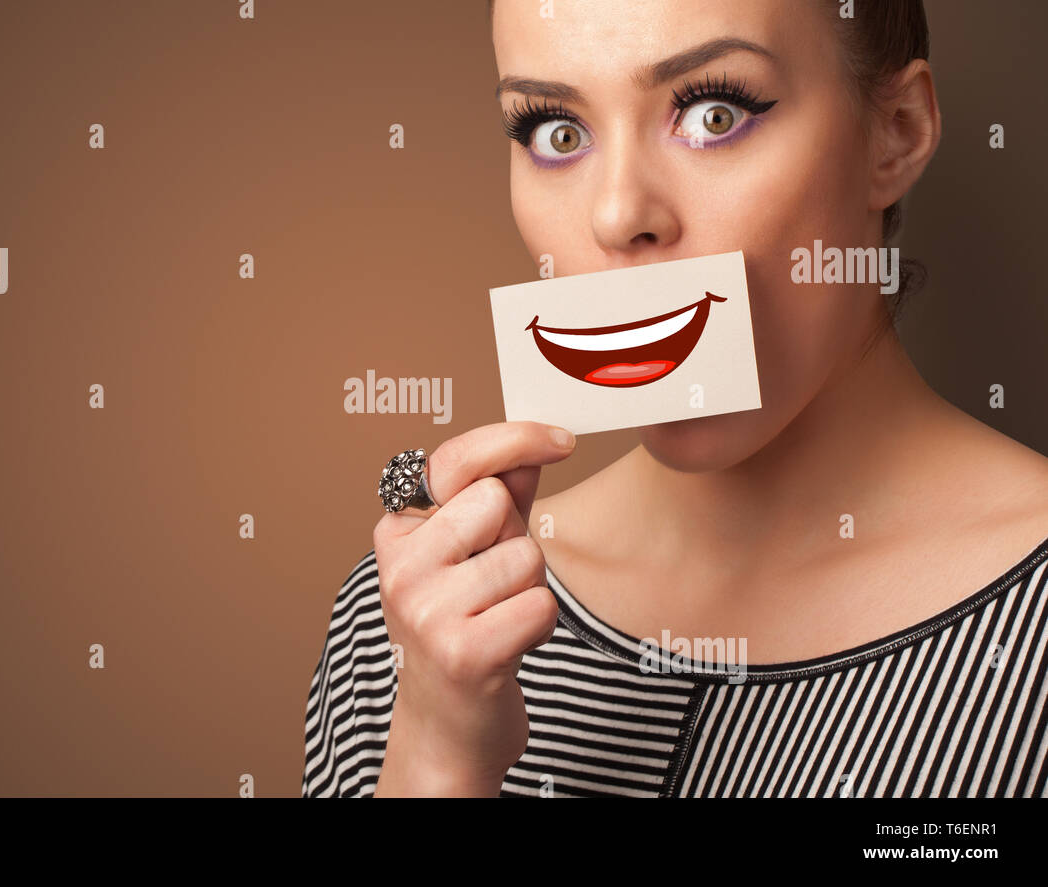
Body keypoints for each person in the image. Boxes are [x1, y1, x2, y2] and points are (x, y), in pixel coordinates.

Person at [303, 0, 1048, 797]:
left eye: (714, 112)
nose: (618, 213)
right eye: (556, 130)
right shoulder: (413, 625)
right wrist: (436, 758)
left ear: (895, 132)